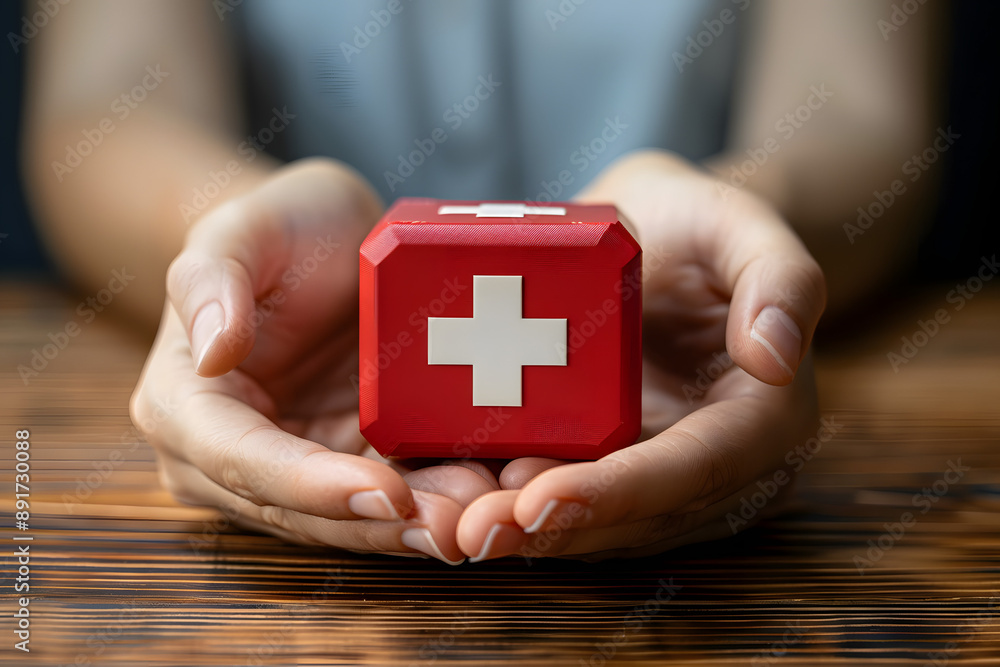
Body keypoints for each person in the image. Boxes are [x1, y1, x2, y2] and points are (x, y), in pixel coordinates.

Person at [22, 0, 936, 563]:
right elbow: (101, 110)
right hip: (323, 343)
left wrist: (745, 223)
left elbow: (859, 118)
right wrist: (232, 242)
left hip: (664, 327)